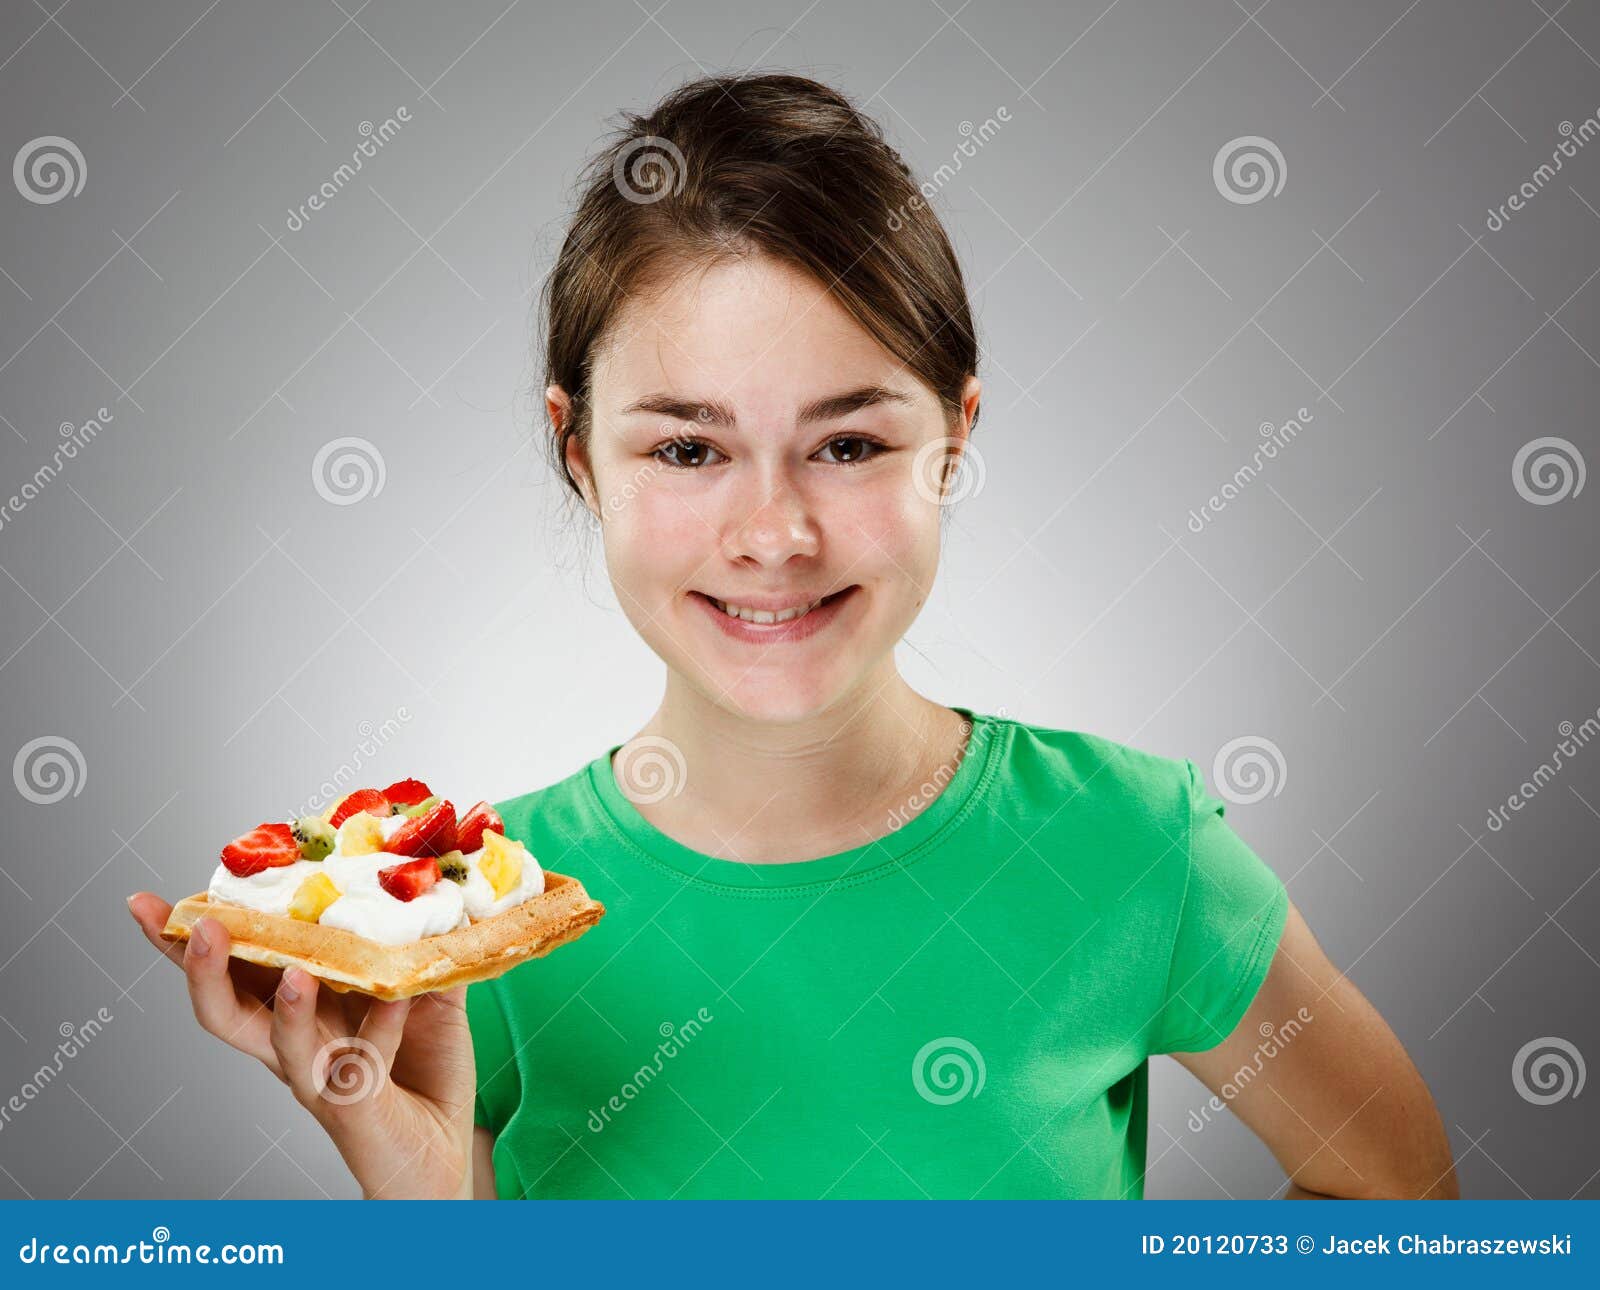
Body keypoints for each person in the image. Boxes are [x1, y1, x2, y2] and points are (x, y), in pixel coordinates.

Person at [127, 72, 1458, 1201]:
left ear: (957, 442)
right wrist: (425, 1211)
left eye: (850, 443)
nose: (772, 532)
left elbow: (1408, 1207)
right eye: (689, 446)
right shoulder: (480, 915)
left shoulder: (1135, 848)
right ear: (576, 453)